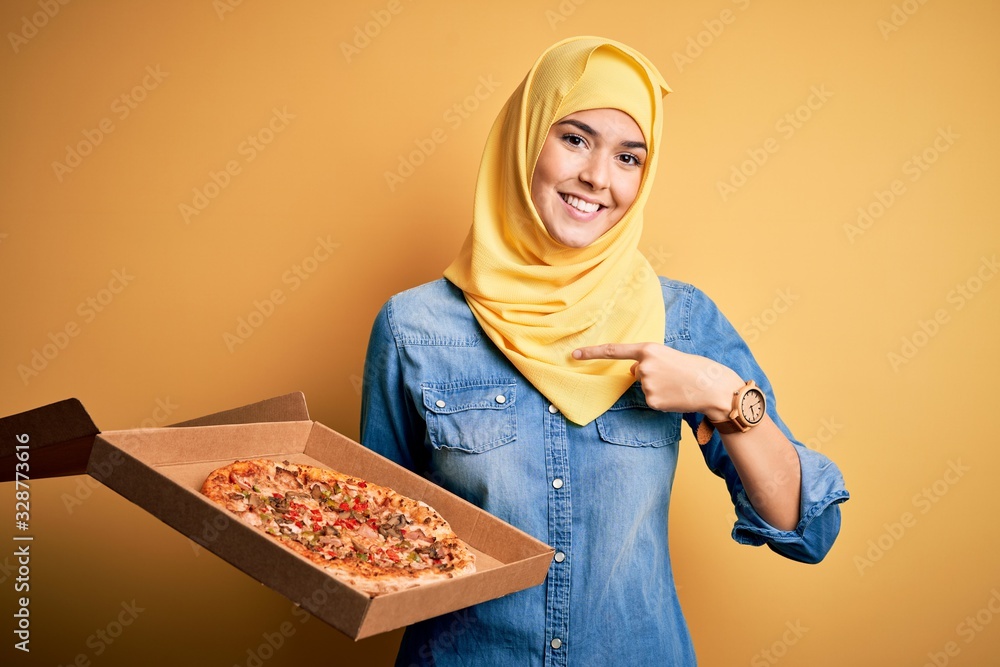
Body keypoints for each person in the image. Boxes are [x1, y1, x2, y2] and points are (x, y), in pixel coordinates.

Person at [360, 36, 849, 667]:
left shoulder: (681, 319)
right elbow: (373, 544)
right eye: (574, 139)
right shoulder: (415, 327)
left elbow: (807, 531)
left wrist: (726, 398)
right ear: (524, 139)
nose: (597, 177)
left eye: (629, 157)